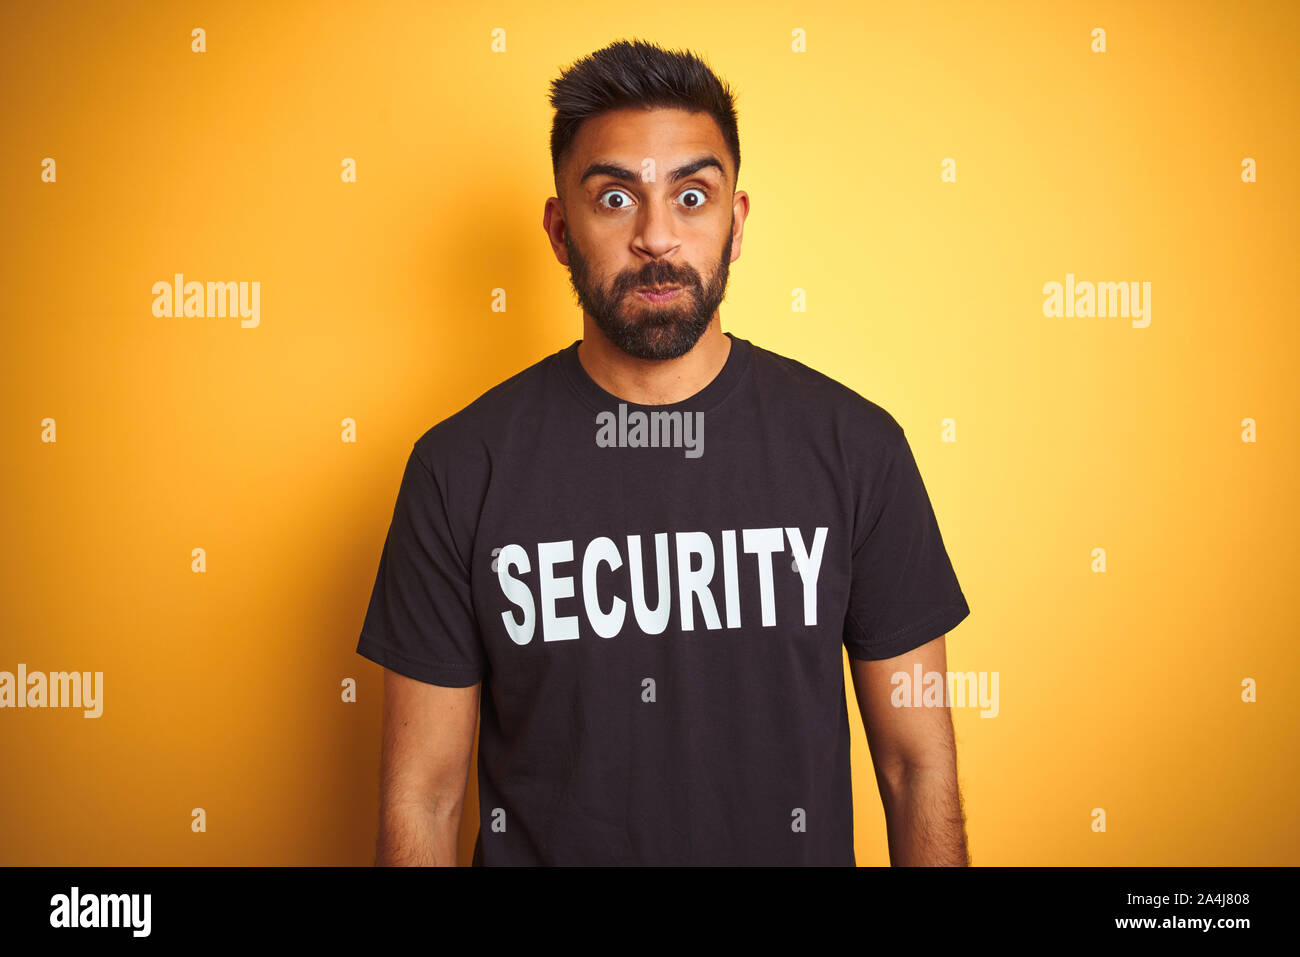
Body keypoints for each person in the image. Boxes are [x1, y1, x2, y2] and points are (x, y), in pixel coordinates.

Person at [357, 38, 971, 866]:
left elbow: (916, 765)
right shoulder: (459, 470)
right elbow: (423, 799)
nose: (657, 236)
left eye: (691, 195)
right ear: (560, 229)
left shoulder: (857, 450)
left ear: (736, 222)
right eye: (615, 198)